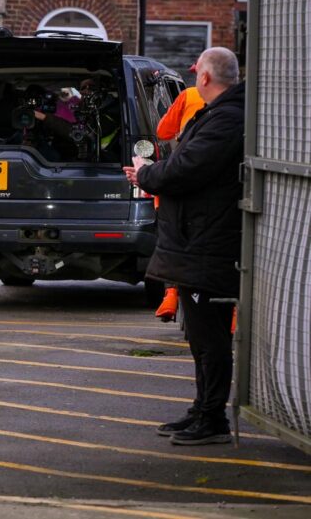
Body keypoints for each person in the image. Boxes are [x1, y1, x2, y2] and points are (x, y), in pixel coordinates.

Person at [123, 47, 244, 446]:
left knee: (209, 338)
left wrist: (148, 174)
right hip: (199, 239)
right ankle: (202, 410)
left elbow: (186, 167)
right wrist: (151, 173)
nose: (194, 79)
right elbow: (182, 164)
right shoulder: (221, 114)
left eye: (197, 74)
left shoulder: (226, 119)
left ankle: (212, 419)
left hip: (208, 243)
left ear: (205, 78)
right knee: (199, 335)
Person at [152, 82, 207, 322]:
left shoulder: (189, 95)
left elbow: (163, 131)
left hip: (185, 180)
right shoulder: (243, 101)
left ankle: (171, 293)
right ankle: (235, 311)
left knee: (173, 237)